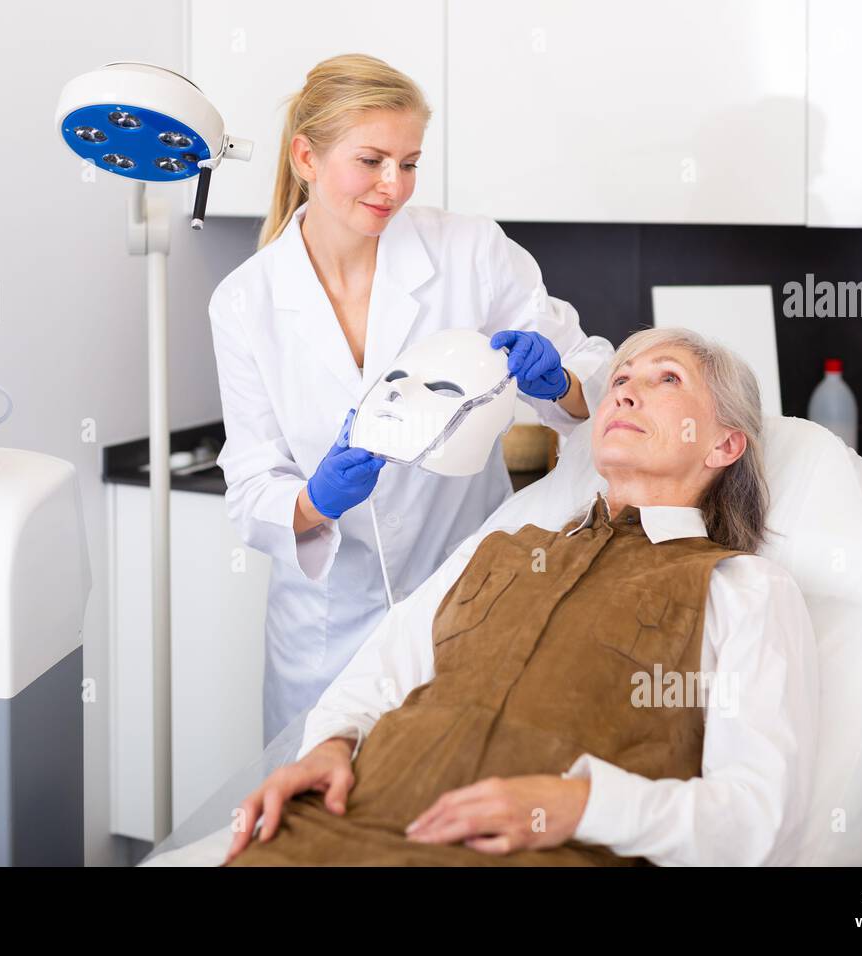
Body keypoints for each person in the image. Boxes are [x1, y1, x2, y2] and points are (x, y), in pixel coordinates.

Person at [221, 328, 820, 866]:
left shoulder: (743, 589)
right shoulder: (501, 548)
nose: (627, 392)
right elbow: (376, 674)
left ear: (724, 446)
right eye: (619, 379)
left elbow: (758, 818)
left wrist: (578, 804)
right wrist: (328, 747)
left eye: (666, 378)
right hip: (335, 825)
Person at [209, 53, 613, 743]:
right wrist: (313, 502)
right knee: (317, 821)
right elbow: (251, 485)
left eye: (410, 161)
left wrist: (563, 385)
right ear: (306, 156)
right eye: (371, 160)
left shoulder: (469, 251)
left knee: (449, 804)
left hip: (468, 596)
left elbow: (591, 373)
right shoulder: (246, 301)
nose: (394, 186)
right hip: (325, 633)